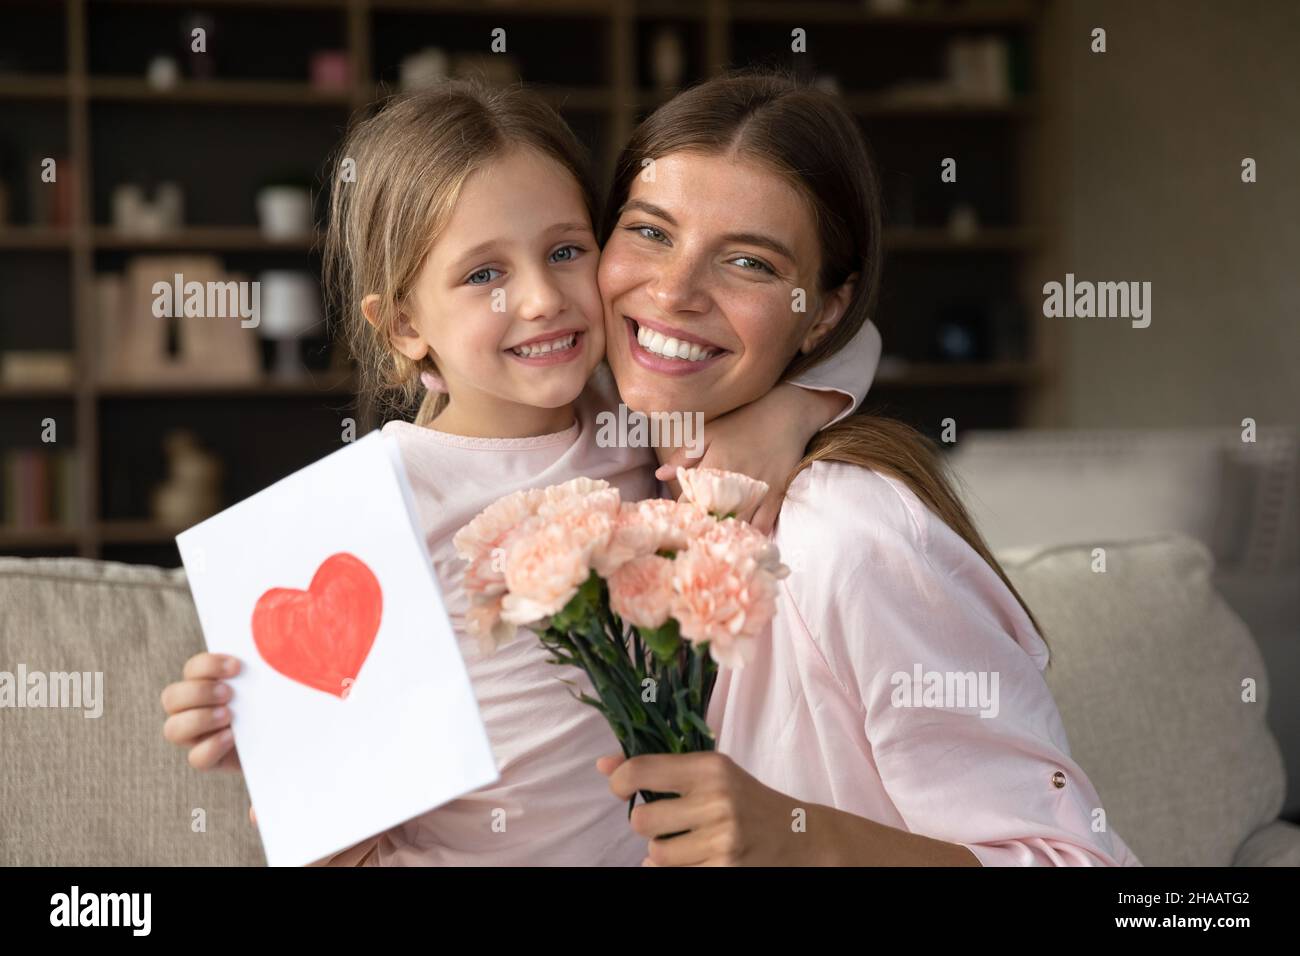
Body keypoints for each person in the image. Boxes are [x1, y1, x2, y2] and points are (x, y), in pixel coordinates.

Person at [158, 80, 881, 865]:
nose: (541, 299)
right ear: (403, 324)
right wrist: (271, 731)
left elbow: (849, 332)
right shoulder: (363, 506)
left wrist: (791, 411)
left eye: (566, 251)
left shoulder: (637, 413)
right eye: (482, 276)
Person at [595, 70, 1141, 867]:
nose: (674, 290)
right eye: (650, 231)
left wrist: (800, 836)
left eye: (748, 263)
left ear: (824, 312)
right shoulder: (603, 461)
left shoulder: (849, 537)